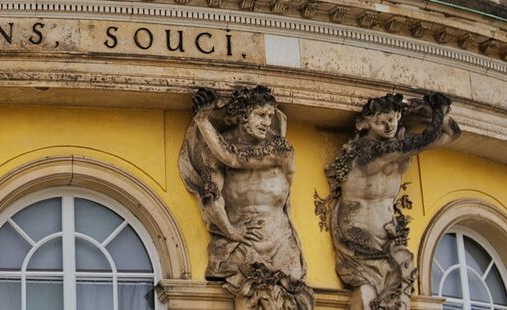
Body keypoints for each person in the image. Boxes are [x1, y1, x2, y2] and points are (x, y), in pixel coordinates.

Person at [319, 93, 460, 310]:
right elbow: (428, 138)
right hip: (358, 230)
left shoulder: (398, 146)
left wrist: (435, 113)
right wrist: (438, 108)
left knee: (399, 278)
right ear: (365, 124)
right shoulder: (370, 151)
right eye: (380, 122)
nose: (388, 127)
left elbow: (452, 134)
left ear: (398, 116)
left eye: (392, 119)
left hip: (388, 235)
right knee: (388, 277)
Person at [180, 85, 313, 310]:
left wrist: (203, 121)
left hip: (280, 241)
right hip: (241, 244)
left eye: (270, 116)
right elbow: (211, 196)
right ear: (243, 116)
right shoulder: (212, 153)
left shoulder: (280, 148)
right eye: (260, 115)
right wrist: (230, 231)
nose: (267, 122)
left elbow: (234, 157)